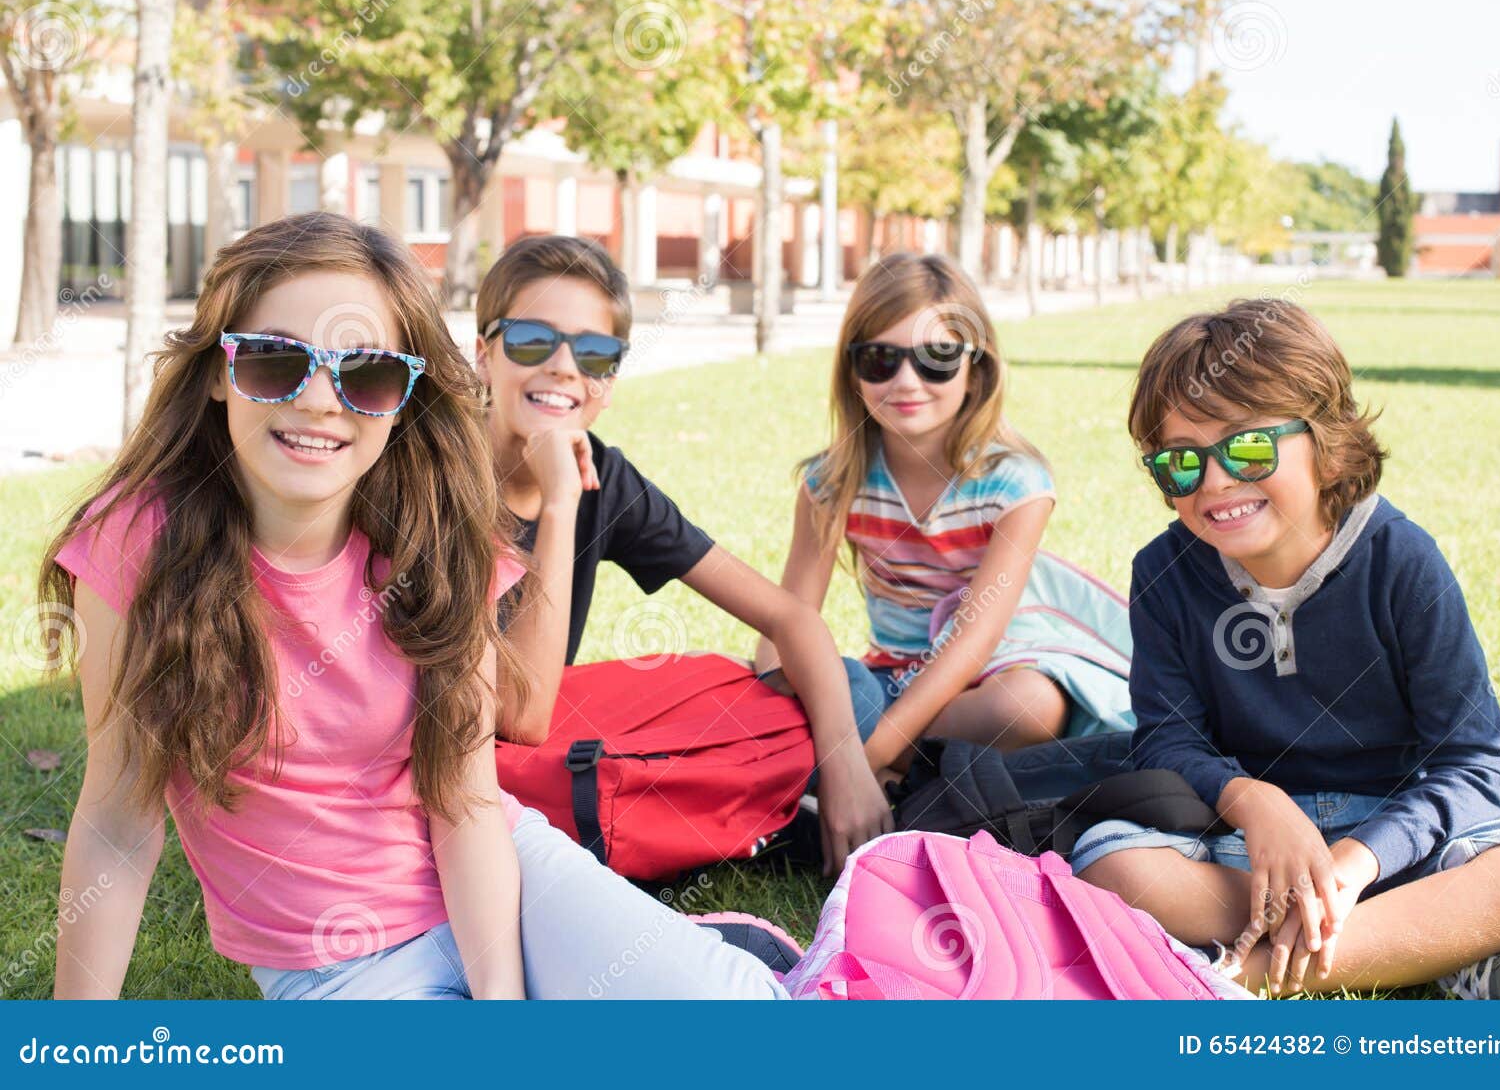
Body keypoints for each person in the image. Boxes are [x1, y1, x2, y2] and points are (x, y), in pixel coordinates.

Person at [43, 213, 786, 1000]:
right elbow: (118, 823)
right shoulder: (136, 545)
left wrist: (500, 1004)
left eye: (365, 374)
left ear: (403, 399)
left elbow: (465, 803)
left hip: (507, 881)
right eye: (273, 362)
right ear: (216, 373)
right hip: (336, 963)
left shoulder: (435, 536)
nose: (321, 401)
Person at [1073, 298, 1500, 998]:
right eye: (1180, 463)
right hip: (1243, 853)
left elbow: (1475, 762)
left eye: (1248, 448)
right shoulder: (1164, 573)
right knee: (1110, 863)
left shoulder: (1400, 560)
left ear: (1324, 439)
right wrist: (1258, 804)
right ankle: (1432, 949)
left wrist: (1356, 862)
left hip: (1398, 849)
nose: (1217, 482)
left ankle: (1231, 976)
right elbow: (1167, 741)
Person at [476, 235, 891, 872]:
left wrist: (847, 771)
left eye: (593, 353)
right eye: (532, 340)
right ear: (484, 355)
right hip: (463, 773)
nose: (563, 367)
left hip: (543, 757)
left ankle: (786, 799)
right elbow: (519, 716)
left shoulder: (607, 480)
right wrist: (561, 502)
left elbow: (790, 620)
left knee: (845, 689)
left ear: (607, 384)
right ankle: (760, 809)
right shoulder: (438, 474)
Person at [759, 253, 1134, 778]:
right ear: (852, 372)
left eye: (937, 357)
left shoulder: (1017, 485)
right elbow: (787, 621)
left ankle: (878, 763)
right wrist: (771, 695)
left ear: (975, 369)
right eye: (880, 360)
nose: (907, 383)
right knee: (777, 683)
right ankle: (918, 765)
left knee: (1026, 706)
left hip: (984, 678)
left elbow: (972, 642)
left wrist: (865, 757)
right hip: (885, 681)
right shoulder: (830, 483)